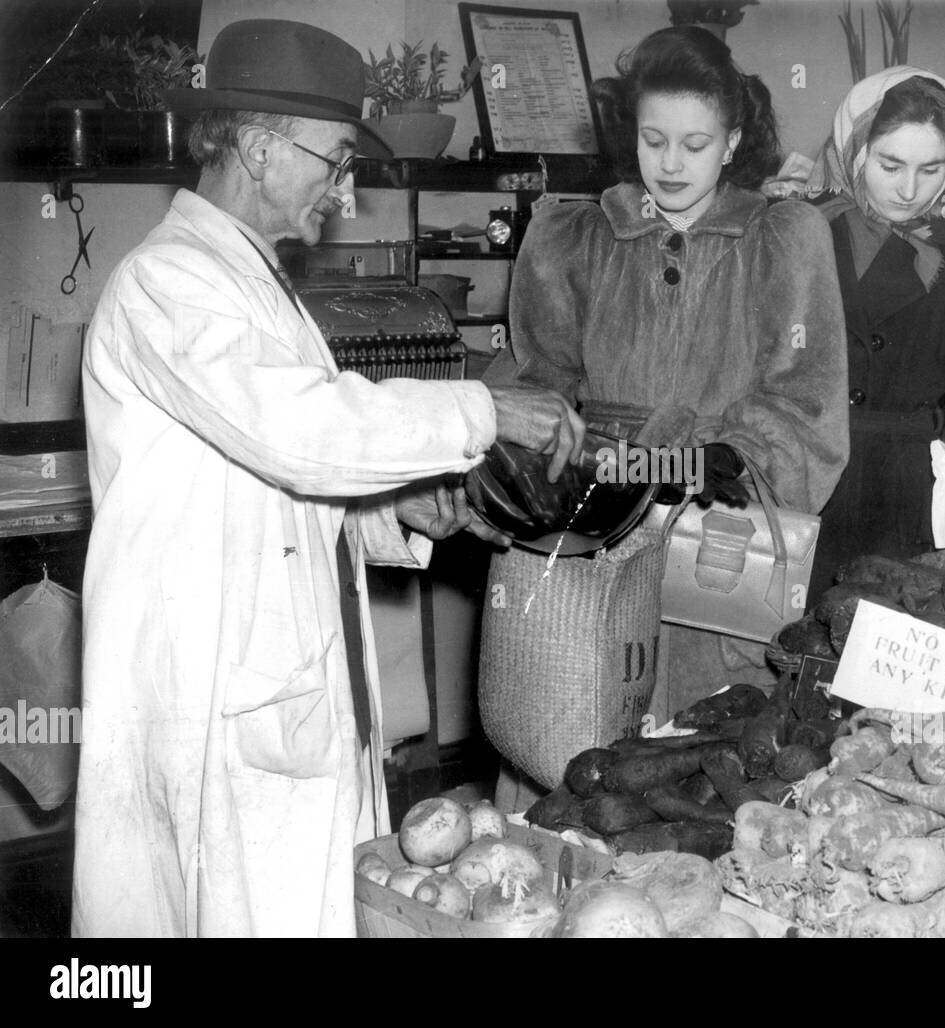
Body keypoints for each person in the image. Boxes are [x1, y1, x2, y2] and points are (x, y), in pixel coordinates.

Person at [71, 19, 583, 938]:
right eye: (335, 157)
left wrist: (392, 508)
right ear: (261, 148)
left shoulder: (258, 285)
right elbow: (298, 429)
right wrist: (484, 409)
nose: (344, 189)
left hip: (277, 691)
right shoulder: (168, 282)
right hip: (215, 703)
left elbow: (276, 484)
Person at [484, 26, 848, 717]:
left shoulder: (783, 240)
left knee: (693, 748)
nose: (671, 165)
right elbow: (540, 384)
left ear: (734, 142)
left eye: (696, 144)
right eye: (655, 142)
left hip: (714, 528)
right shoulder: (573, 237)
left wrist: (735, 456)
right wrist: (530, 464)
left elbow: (807, 397)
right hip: (592, 525)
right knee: (575, 725)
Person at [805, 68, 945, 599]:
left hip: (916, 500)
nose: (908, 190)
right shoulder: (795, 235)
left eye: (932, 168)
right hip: (807, 485)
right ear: (853, 148)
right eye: (890, 164)